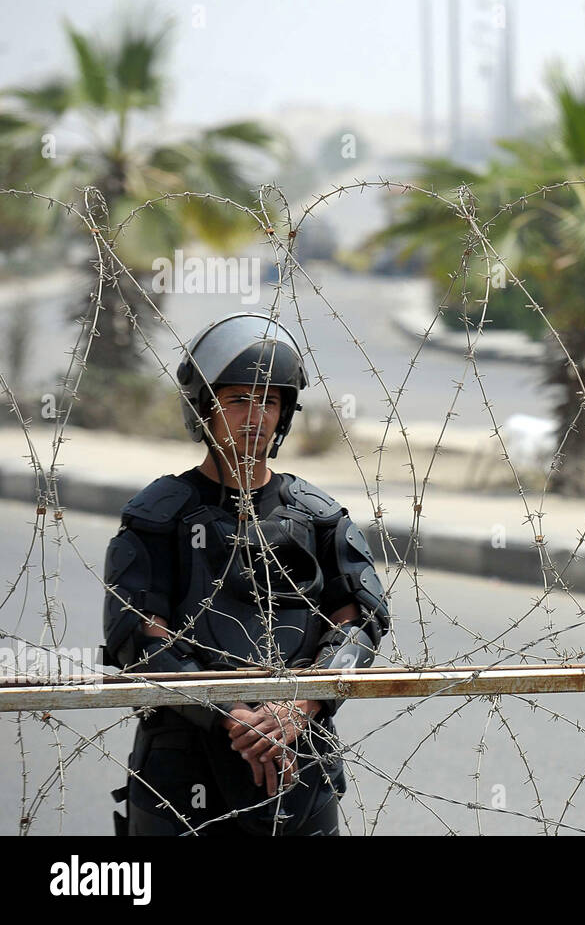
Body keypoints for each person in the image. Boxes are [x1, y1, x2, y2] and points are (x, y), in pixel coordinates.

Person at [101, 312, 390, 836]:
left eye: (270, 401)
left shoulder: (318, 516)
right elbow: (139, 633)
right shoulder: (158, 516)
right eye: (237, 400)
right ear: (204, 408)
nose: (255, 417)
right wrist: (232, 714)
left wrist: (296, 710)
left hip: (299, 764)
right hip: (182, 768)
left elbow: (359, 621)